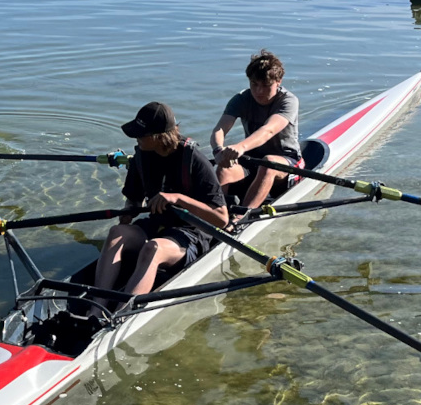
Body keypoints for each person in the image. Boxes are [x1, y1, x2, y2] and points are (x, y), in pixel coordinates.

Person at [92, 101, 228, 311]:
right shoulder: (141, 156)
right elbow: (134, 200)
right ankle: (97, 307)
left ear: (158, 136)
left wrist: (179, 198)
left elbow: (222, 219)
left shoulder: (195, 160)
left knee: (152, 248)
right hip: (157, 225)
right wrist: (128, 212)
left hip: (191, 233)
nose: (136, 138)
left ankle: (120, 314)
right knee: (117, 233)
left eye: (141, 134)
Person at [210, 50, 302, 218]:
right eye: (254, 84)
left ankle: (240, 219)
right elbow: (220, 129)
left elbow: (268, 130)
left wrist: (240, 147)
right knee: (223, 167)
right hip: (252, 158)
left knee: (268, 163)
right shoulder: (241, 98)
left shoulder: (288, 101)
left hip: (286, 160)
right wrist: (218, 151)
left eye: (266, 86)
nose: (259, 91)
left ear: (278, 81)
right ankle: (217, 215)